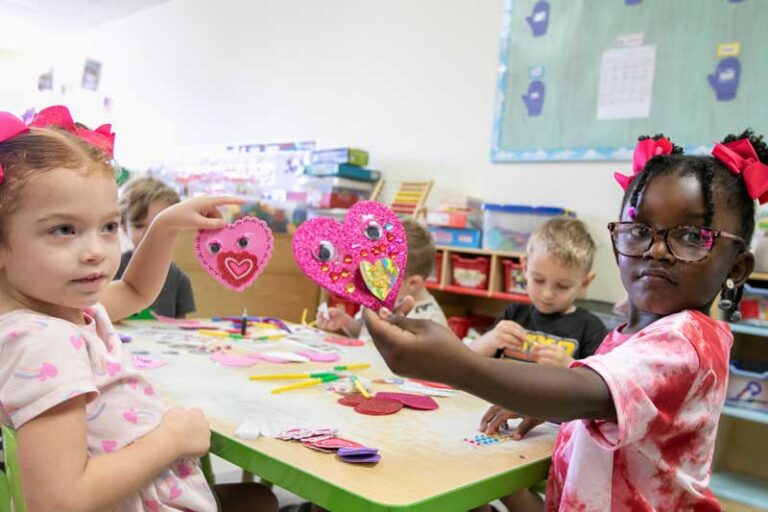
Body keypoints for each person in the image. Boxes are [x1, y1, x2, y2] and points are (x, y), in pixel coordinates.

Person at [362, 131, 760, 511]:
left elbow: (586, 391)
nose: (656, 249)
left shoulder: (687, 342)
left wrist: (456, 365)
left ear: (737, 268)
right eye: (640, 230)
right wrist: (561, 412)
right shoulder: (632, 335)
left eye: (692, 236)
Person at [0, 106, 278, 511]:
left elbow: (134, 290)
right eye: (64, 229)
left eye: (109, 227)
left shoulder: (57, 311)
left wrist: (165, 226)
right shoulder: (44, 342)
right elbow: (59, 500)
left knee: (258, 498)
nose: (96, 251)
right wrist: (172, 439)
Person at [470, 218, 607, 368]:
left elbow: (597, 378)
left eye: (562, 286)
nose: (547, 294)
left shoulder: (591, 328)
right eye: (539, 280)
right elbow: (469, 357)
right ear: (524, 268)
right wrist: (491, 340)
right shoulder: (514, 313)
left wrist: (569, 365)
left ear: (585, 282)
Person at [316, 218, 448, 338]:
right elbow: (365, 335)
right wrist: (347, 323)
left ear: (413, 283)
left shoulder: (431, 323)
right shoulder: (378, 298)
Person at [116, 176, 196, 318]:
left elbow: (181, 324)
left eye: (159, 226)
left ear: (176, 228)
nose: (150, 233)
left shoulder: (179, 279)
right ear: (123, 226)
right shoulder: (111, 270)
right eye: (139, 226)